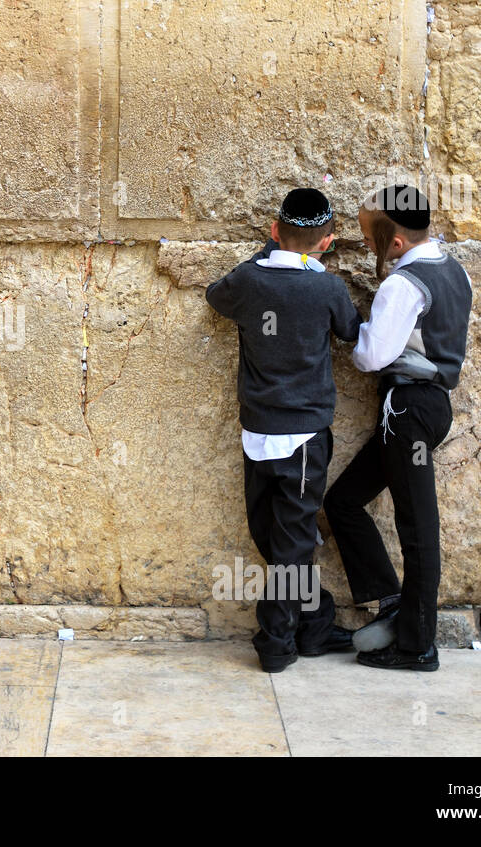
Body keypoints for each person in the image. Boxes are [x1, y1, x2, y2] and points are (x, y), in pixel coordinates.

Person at [206, 188, 363, 672]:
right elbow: (353, 332)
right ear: (328, 242)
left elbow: (216, 295)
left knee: (276, 537)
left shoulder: (248, 281)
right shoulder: (328, 289)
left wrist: (268, 251)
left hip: (257, 431)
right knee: (291, 541)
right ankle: (277, 643)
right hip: (303, 436)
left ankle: (314, 625)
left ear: (274, 232)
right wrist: (312, 264)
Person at [324, 184, 473, 672]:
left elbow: (371, 356)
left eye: (370, 239)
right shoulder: (455, 270)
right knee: (343, 501)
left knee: (418, 529)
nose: (367, 246)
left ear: (396, 243)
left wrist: (349, 323)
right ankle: (392, 603)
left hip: (406, 411)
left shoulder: (402, 285)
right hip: (432, 407)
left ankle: (417, 647)